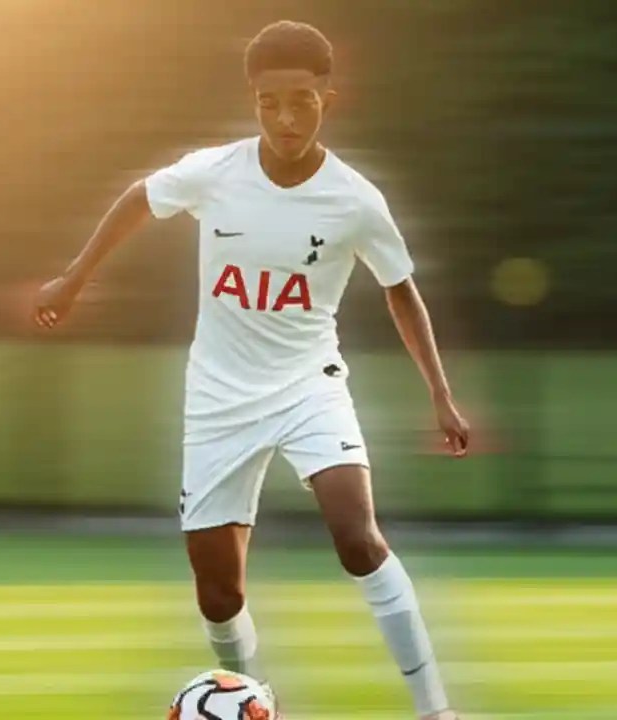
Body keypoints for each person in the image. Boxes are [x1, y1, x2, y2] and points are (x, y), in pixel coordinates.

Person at [34, 20, 468, 719]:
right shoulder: (214, 173)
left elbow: (400, 289)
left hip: (308, 386)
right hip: (217, 399)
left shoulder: (355, 200)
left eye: (301, 99)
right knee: (218, 595)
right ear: (252, 100)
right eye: (269, 102)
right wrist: (74, 278)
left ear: (330, 97)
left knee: (358, 538)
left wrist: (440, 397)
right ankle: (255, 700)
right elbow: (141, 197)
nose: (285, 116)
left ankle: (435, 710)